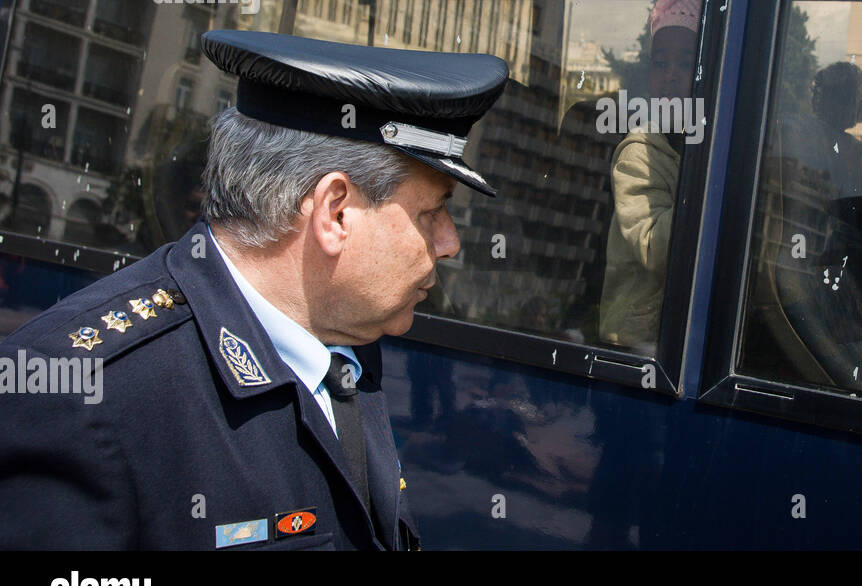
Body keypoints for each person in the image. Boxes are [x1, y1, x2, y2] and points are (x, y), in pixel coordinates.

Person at [0, 30, 508, 549]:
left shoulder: (342, 345)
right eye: (431, 211)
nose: (449, 242)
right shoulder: (84, 399)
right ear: (335, 212)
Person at [599, 0, 700, 352]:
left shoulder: (697, 142)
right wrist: (703, 177)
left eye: (686, 63)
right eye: (660, 64)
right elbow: (655, 249)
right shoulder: (638, 152)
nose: (671, 75)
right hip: (636, 337)